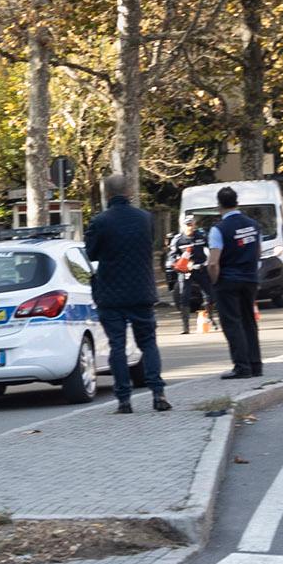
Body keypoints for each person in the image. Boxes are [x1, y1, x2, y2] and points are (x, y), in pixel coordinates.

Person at [83, 175, 172, 414]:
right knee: (148, 343)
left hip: (111, 294)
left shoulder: (100, 221)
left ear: (106, 194)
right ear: (130, 191)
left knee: (117, 346)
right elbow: (149, 244)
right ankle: (158, 393)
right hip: (141, 291)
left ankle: (124, 399)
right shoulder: (145, 218)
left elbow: (90, 253)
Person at [209, 184, 265, 378]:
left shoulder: (219, 229)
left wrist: (215, 282)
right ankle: (255, 364)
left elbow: (213, 262)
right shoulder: (253, 225)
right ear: (237, 203)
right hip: (250, 279)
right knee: (249, 321)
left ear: (219, 205)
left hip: (228, 280)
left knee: (232, 323)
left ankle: (242, 366)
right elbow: (258, 252)